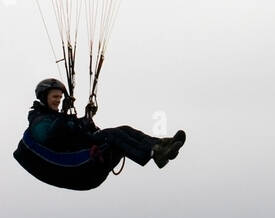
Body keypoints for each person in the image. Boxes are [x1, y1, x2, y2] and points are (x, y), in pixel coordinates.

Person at [13, 78, 186, 191]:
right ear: (44, 97)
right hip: (77, 168)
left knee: (124, 129)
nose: (58, 100)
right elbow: (51, 137)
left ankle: (162, 145)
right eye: (55, 97)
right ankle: (153, 153)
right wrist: (65, 114)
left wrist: (88, 118)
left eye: (59, 97)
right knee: (111, 135)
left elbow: (83, 132)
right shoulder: (39, 120)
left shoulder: (58, 117)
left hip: (83, 162)